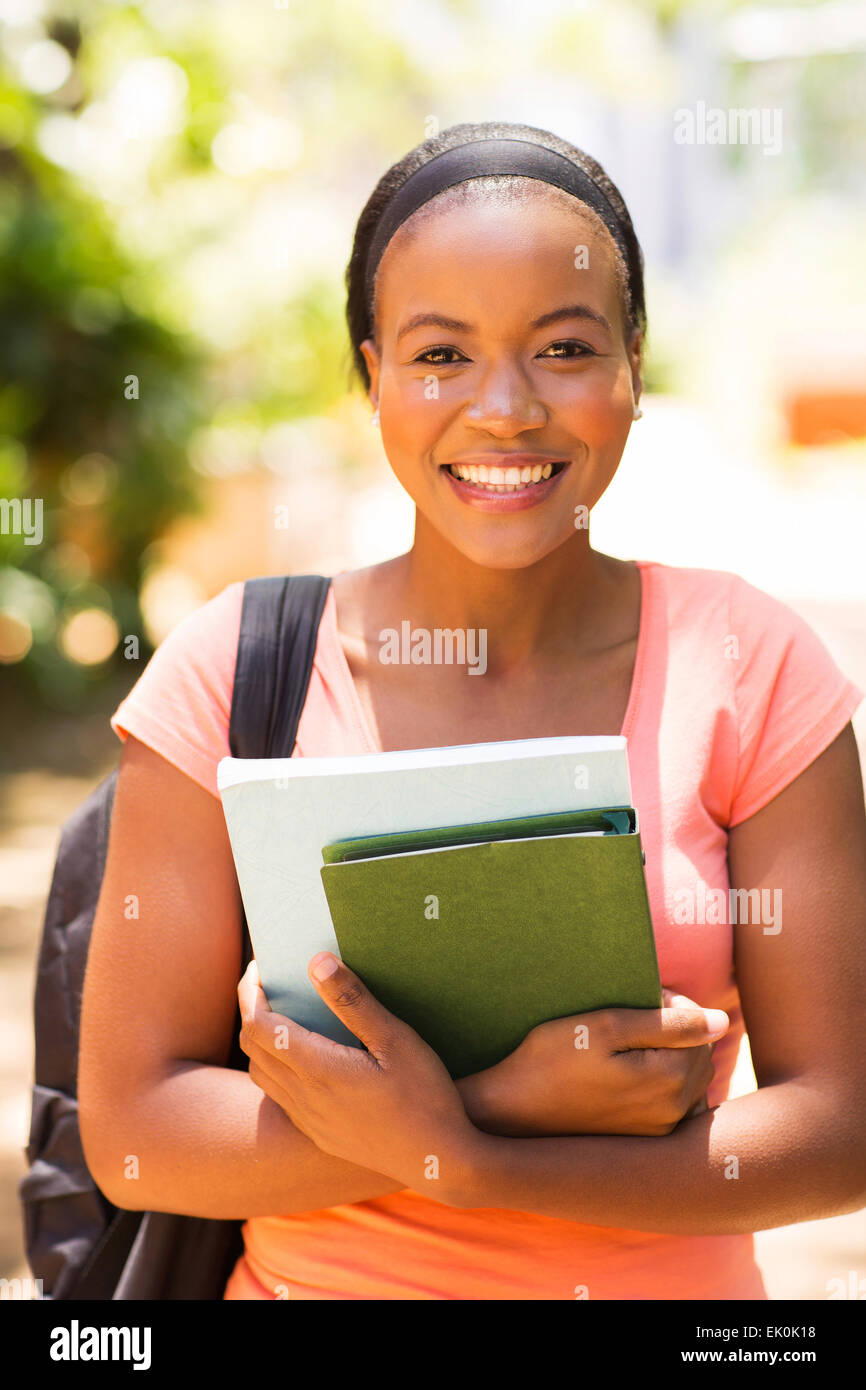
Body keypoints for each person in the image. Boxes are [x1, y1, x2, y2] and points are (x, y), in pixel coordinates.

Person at [78, 121, 866, 1301]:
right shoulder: (234, 667)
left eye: (561, 347)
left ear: (633, 366)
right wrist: (490, 1111)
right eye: (439, 355)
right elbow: (136, 1135)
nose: (503, 409)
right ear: (372, 374)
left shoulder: (748, 665)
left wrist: (474, 1159)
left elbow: (839, 1130)